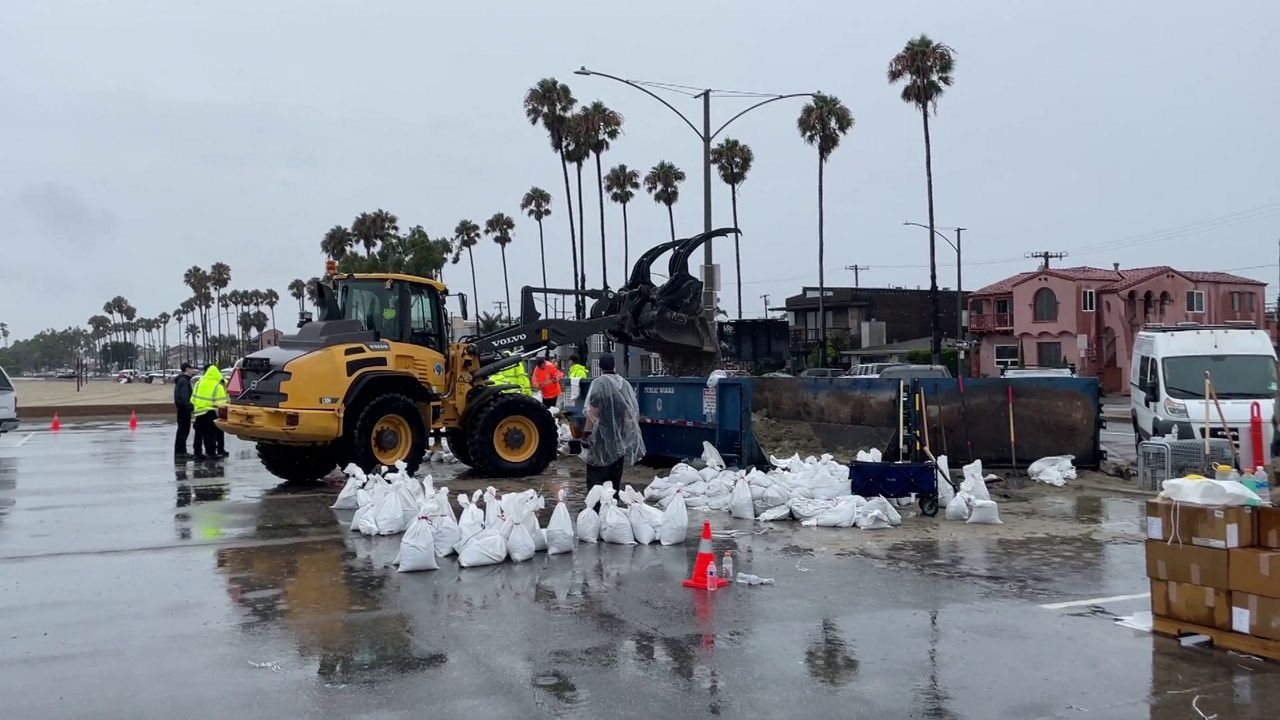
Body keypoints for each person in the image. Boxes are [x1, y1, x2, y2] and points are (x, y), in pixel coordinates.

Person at [580, 354, 644, 495]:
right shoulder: (624, 384)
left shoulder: (599, 383)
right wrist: (625, 434)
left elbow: (593, 412)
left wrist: (586, 434)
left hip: (601, 438)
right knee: (614, 475)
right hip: (618, 437)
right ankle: (612, 505)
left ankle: (596, 508)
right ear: (614, 365)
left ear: (600, 367)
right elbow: (630, 413)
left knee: (597, 474)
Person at [191, 364, 228, 460]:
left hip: (198, 412)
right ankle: (211, 453)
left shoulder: (199, 383)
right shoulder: (217, 386)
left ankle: (197, 453)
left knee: (198, 434)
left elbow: (192, 399)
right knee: (210, 434)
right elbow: (222, 403)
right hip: (210, 412)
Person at [173, 363, 197, 458]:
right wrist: (190, 407)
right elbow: (184, 397)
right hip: (184, 410)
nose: (192, 370)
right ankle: (181, 452)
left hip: (181, 409)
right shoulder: (184, 381)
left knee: (181, 430)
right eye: (191, 368)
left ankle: (180, 451)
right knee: (183, 431)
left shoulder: (181, 380)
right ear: (187, 369)